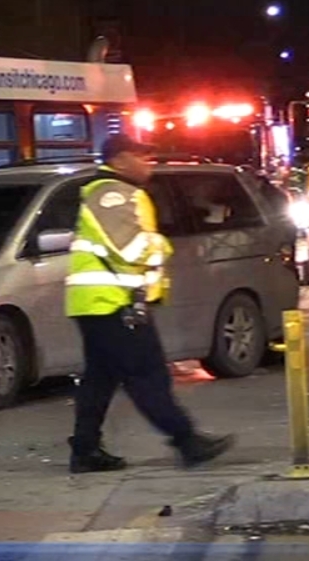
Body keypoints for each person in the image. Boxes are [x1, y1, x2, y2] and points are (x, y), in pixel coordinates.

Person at [65, 135, 235, 473]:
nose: (149, 165)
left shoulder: (112, 191)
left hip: (103, 303)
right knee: (147, 374)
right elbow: (128, 249)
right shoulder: (112, 194)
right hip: (112, 302)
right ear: (121, 159)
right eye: (143, 157)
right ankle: (187, 440)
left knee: (100, 379)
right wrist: (162, 245)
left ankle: (85, 450)